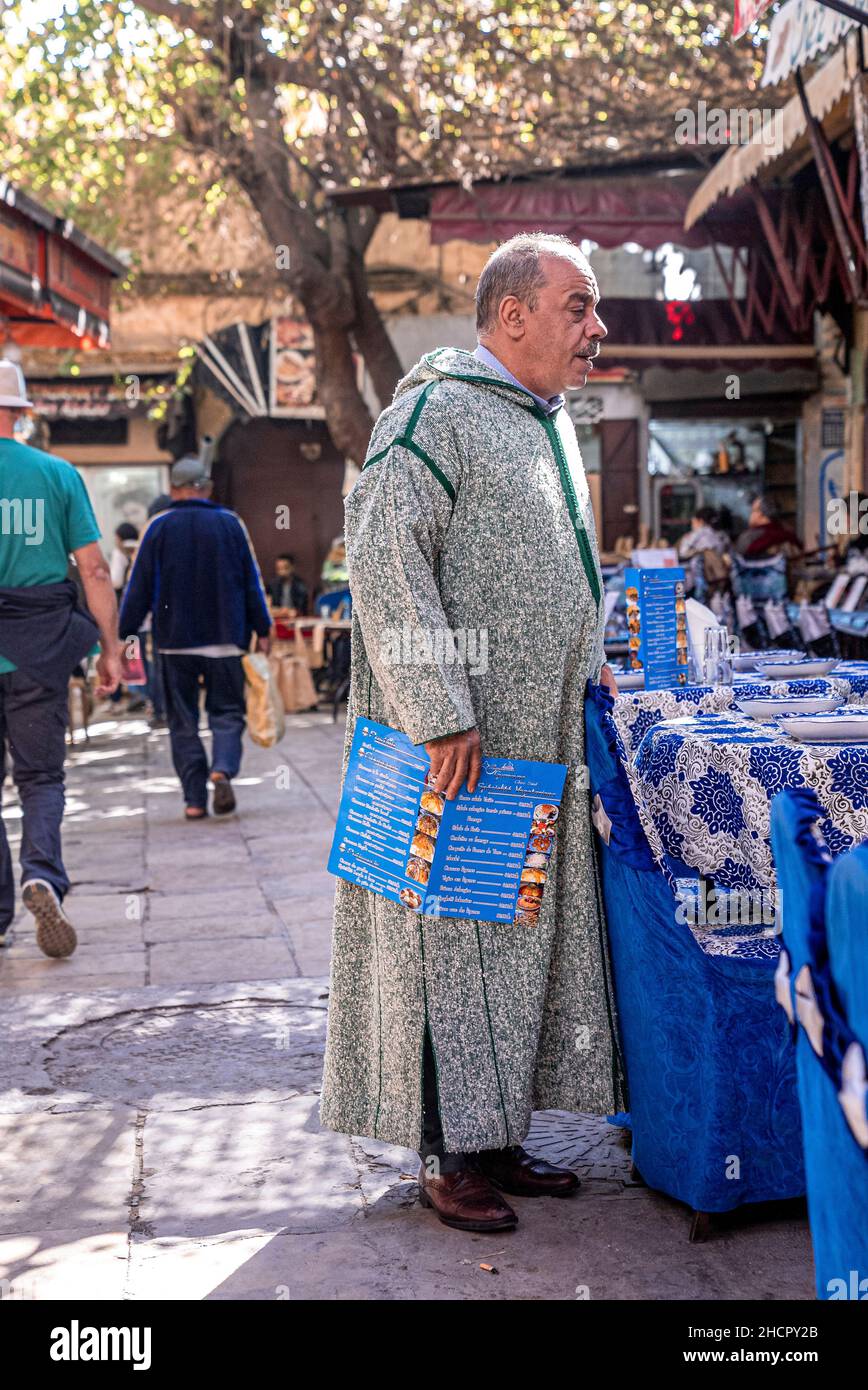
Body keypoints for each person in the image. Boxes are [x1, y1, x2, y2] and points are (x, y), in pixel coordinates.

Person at [320, 232, 625, 1234]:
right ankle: (447, 1156)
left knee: (512, 937)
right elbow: (383, 554)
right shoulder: (433, 412)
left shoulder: (541, 422)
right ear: (513, 316)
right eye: (578, 306)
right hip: (463, 744)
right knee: (452, 939)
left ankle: (496, 1137)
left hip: (532, 738)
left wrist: (590, 655)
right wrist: (438, 706)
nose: (596, 326)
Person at [0, 360, 121, 956]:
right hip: (39, 651)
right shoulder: (56, 474)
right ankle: (40, 873)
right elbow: (94, 569)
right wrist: (110, 648)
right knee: (40, 777)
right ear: (21, 415)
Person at [119, 455, 272, 820]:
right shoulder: (230, 524)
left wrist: (122, 634)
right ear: (206, 487)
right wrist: (262, 629)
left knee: (182, 721)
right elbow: (251, 580)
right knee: (227, 711)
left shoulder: (157, 527)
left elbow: (137, 588)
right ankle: (221, 767)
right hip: (226, 639)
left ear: (173, 489)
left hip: (175, 643)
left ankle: (192, 800)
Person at [734, 493, 802, 560]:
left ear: (760, 515)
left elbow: (737, 562)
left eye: (753, 511)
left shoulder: (749, 537)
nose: (750, 515)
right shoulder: (790, 535)